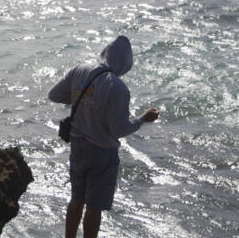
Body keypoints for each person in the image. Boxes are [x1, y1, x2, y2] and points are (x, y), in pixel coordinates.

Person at [48, 35, 159, 238]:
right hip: (102, 152)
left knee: (76, 199)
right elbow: (119, 130)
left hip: (78, 147)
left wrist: (77, 99)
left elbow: (53, 95)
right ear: (125, 63)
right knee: (94, 207)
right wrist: (143, 119)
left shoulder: (80, 70)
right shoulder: (118, 88)